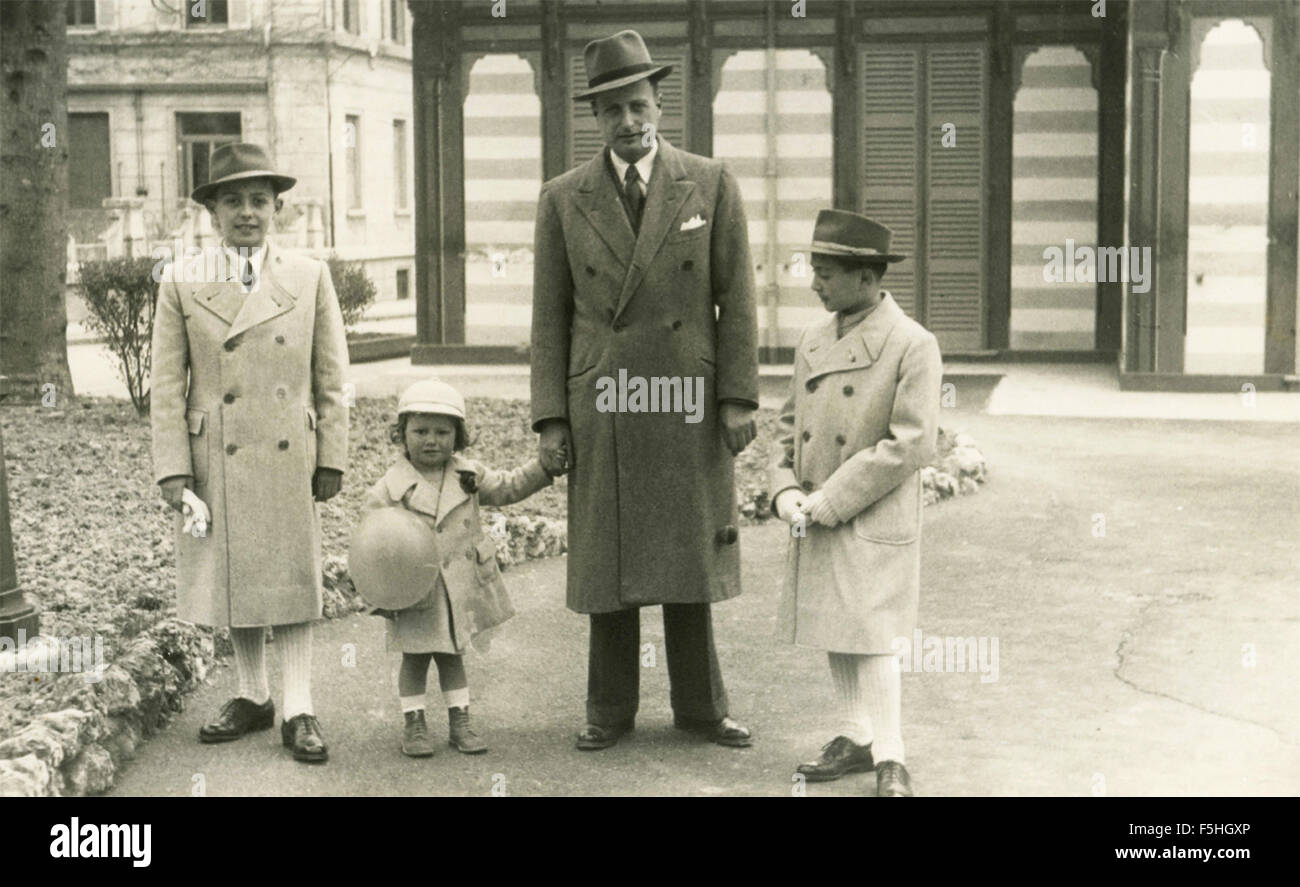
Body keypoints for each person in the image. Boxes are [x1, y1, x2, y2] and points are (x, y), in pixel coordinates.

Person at [530, 29, 760, 750]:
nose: (627, 123)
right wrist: (551, 418)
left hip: (686, 397)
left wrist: (737, 397)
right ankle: (609, 708)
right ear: (594, 120)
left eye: (638, 106)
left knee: (689, 554)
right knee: (612, 560)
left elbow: (739, 298)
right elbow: (548, 317)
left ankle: (701, 706)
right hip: (605, 399)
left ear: (659, 104)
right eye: (611, 112)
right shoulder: (563, 199)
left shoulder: (711, 182)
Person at [151, 143, 349, 764]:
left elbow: (333, 376)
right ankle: (252, 694)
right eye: (232, 200)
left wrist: (333, 456)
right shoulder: (182, 280)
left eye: (259, 200)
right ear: (212, 212)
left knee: (290, 573)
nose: (247, 212)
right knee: (235, 573)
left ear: (277, 210)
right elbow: (164, 386)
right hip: (218, 454)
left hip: (291, 449)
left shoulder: (310, 275)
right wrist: (174, 469)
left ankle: (298, 707)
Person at [769, 209, 943, 797]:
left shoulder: (912, 344)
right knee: (834, 625)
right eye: (814, 270)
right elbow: (787, 428)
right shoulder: (814, 338)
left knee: (874, 633)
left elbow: (913, 442)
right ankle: (855, 733)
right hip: (815, 508)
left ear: (866, 278)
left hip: (871, 511)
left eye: (826, 273)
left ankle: (892, 754)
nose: (814, 283)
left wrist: (833, 498)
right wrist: (785, 489)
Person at [360, 379, 555, 757]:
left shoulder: (469, 476)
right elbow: (371, 540)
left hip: (457, 588)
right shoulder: (389, 488)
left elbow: (509, 487)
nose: (431, 440)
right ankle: (414, 723)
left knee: (453, 655)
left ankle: (459, 720)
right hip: (416, 589)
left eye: (442, 432)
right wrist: (379, 586)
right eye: (420, 431)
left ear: (458, 436)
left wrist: (543, 469)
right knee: (414, 658)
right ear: (402, 434)